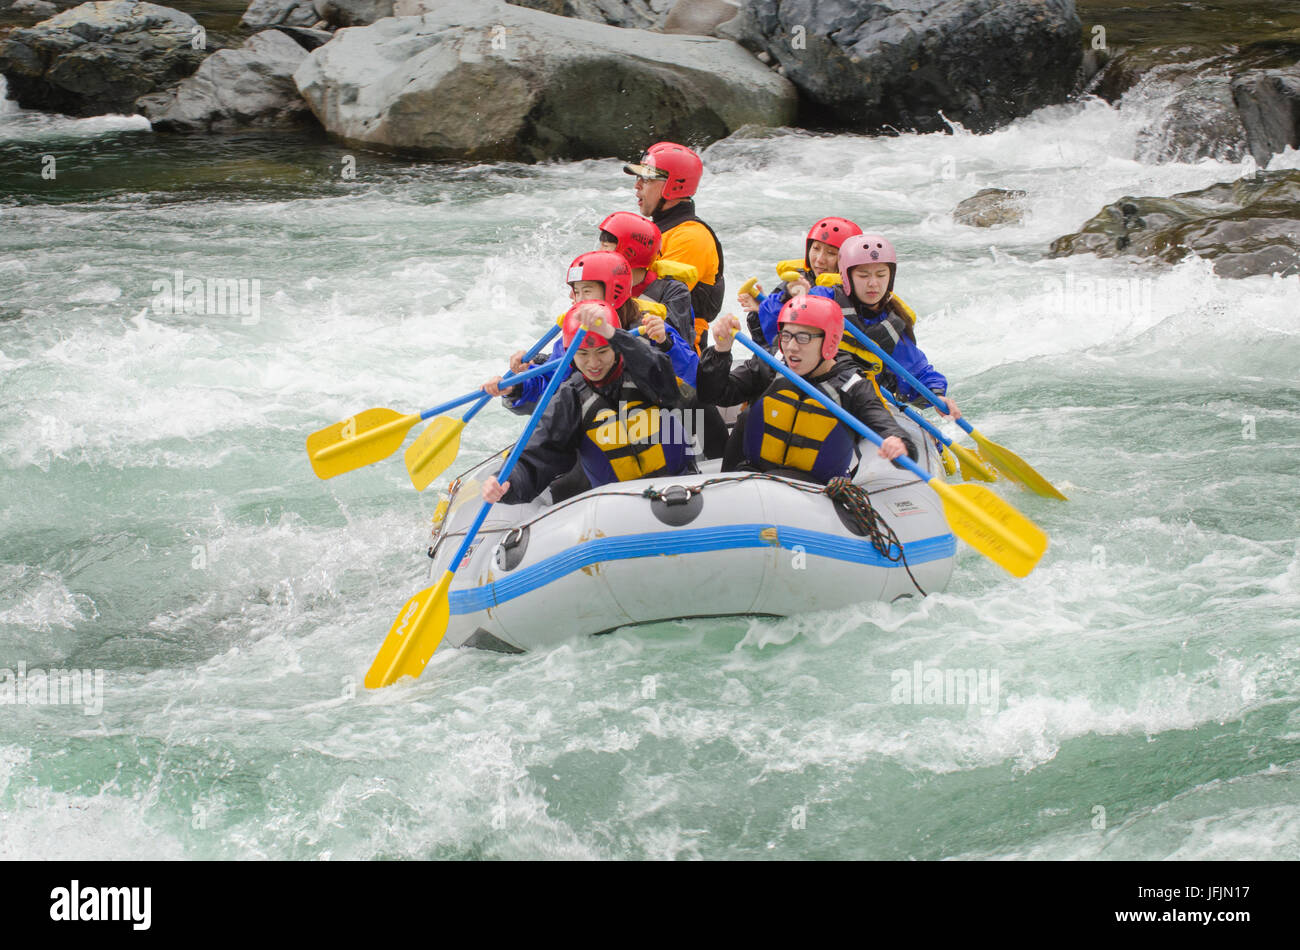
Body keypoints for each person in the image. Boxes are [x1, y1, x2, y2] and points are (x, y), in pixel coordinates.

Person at [482, 301, 698, 504]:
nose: (593, 363)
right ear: (569, 354)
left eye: (602, 351)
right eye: (583, 354)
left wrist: (613, 334)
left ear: (616, 347)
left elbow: (661, 374)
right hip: (619, 505)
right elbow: (540, 453)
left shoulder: (643, 370)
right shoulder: (570, 397)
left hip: (679, 487)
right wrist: (507, 482)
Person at [698, 296, 916, 485]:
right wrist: (720, 351)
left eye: (803, 338)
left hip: (815, 496)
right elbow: (715, 394)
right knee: (746, 417)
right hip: (753, 480)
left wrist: (898, 442)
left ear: (830, 342)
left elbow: (885, 426)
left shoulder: (852, 386)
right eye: (786, 335)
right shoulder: (771, 364)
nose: (791, 346)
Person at [487, 249, 698, 407]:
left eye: (585, 290)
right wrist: (516, 386)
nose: (575, 299)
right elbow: (550, 382)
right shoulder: (575, 337)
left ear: (614, 291)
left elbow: (692, 374)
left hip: (656, 420)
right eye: (575, 291)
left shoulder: (649, 328)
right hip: (605, 425)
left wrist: (667, 343)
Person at [739, 217, 913, 370]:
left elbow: (910, 362)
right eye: (815, 249)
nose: (819, 259)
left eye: (831, 253)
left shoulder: (875, 299)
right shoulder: (792, 284)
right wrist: (760, 311)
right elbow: (771, 341)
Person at [837, 234, 960, 418]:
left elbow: (915, 372)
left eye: (881, 275)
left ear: (891, 278)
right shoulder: (822, 301)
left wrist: (936, 395)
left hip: (863, 407)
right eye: (863, 275)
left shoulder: (893, 326)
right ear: (845, 277)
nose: (873, 284)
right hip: (823, 395)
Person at [623, 142, 724, 353]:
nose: (637, 185)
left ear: (674, 185)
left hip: (674, 358)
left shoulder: (691, 236)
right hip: (638, 345)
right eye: (638, 178)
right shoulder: (653, 232)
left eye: (647, 179)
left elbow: (658, 303)